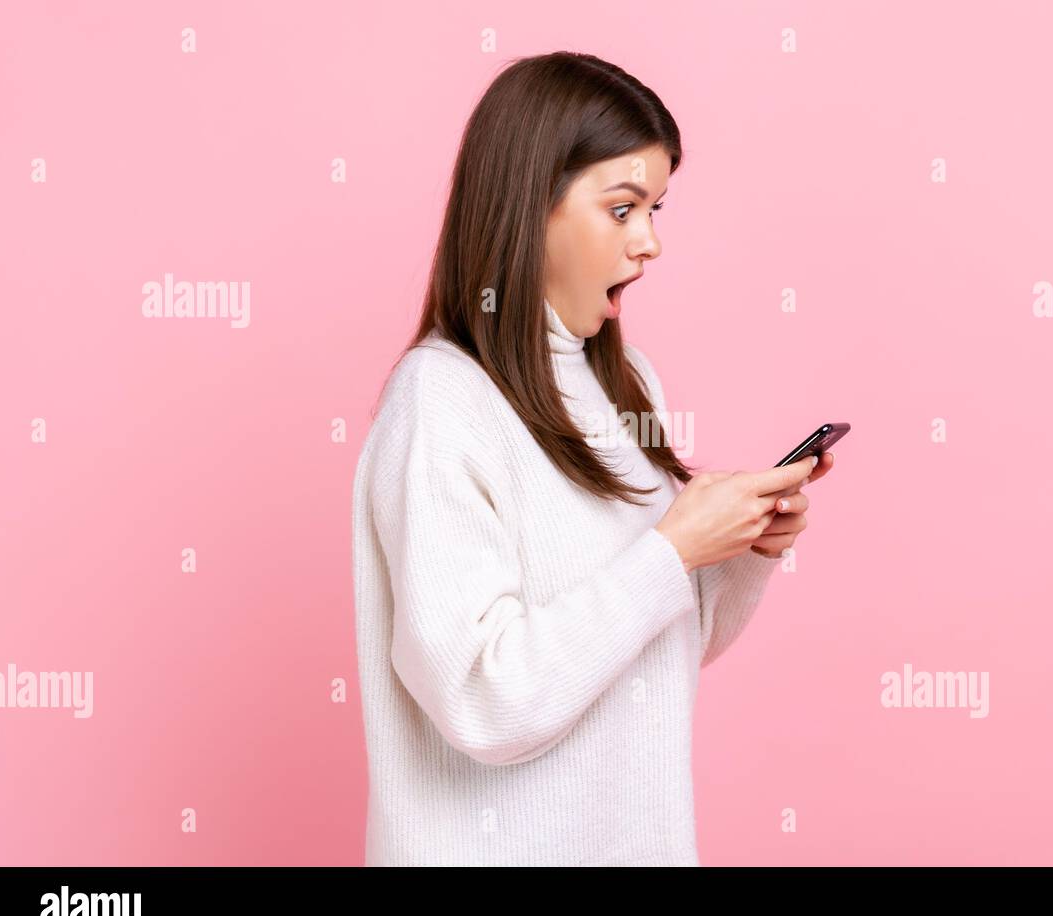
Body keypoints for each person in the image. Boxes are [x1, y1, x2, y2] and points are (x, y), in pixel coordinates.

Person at [351, 51, 836, 866]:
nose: (650, 243)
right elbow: (484, 699)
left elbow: (658, 643)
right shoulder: (441, 403)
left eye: (656, 208)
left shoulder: (624, 383)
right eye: (622, 209)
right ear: (527, 208)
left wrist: (742, 549)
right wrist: (673, 548)